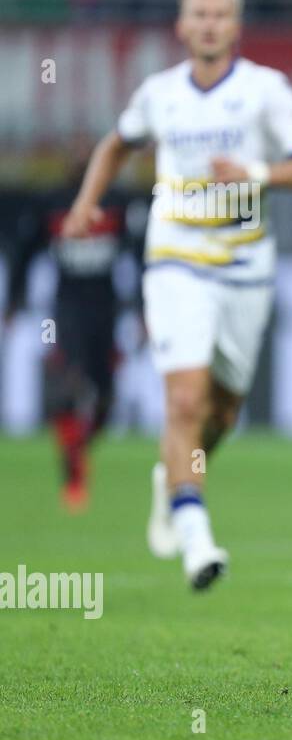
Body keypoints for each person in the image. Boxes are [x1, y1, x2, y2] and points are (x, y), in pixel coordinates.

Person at [64, 0, 292, 589]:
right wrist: (86, 203)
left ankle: (175, 478)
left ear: (234, 27)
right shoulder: (160, 94)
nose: (209, 25)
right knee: (184, 399)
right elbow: (116, 144)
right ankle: (195, 538)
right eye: (199, 15)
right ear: (182, 26)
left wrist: (254, 171)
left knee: (222, 412)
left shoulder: (267, 91)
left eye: (220, 16)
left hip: (245, 267)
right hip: (176, 258)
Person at [3, 152, 141, 511]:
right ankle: (73, 474)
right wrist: (13, 305)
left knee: (107, 398)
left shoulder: (117, 203)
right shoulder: (51, 203)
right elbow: (24, 253)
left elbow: (141, 257)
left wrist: (143, 311)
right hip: (62, 313)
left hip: (107, 311)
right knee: (67, 384)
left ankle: (78, 447)